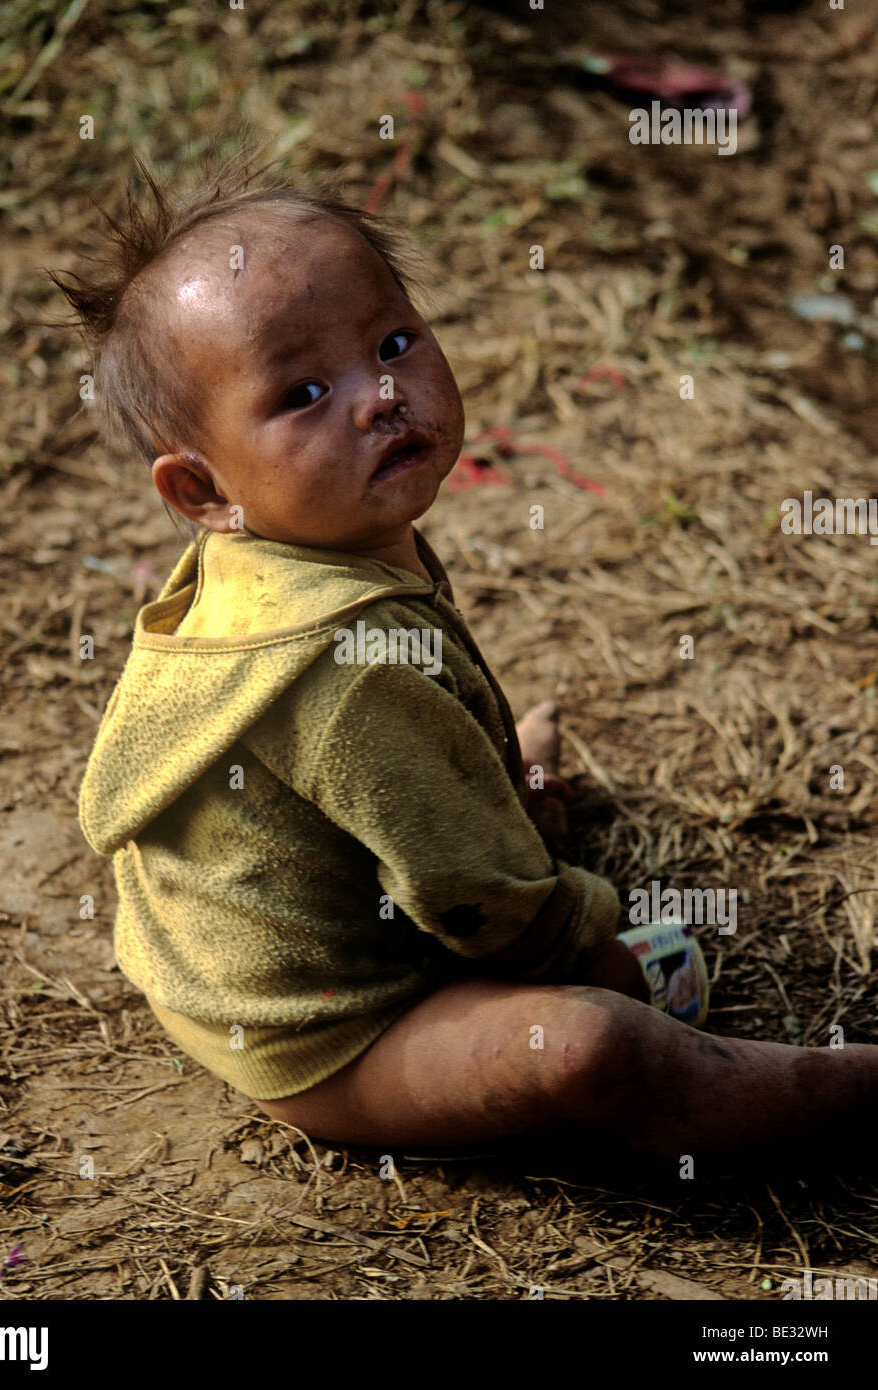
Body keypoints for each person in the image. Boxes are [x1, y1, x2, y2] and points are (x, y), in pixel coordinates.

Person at [59, 156, 877, 1161]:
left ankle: (498, 787)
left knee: (465, 782)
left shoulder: (276, 551)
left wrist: (489, 787)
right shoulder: (340, 660)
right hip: (328, 1034)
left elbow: (387, 775)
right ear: (200, 492)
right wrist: (594, 946)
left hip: (228, 949)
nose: (382, 396)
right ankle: (844, 1087)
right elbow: (477, 908)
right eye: (305, 391)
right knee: (584, 1047)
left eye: (394, 341)